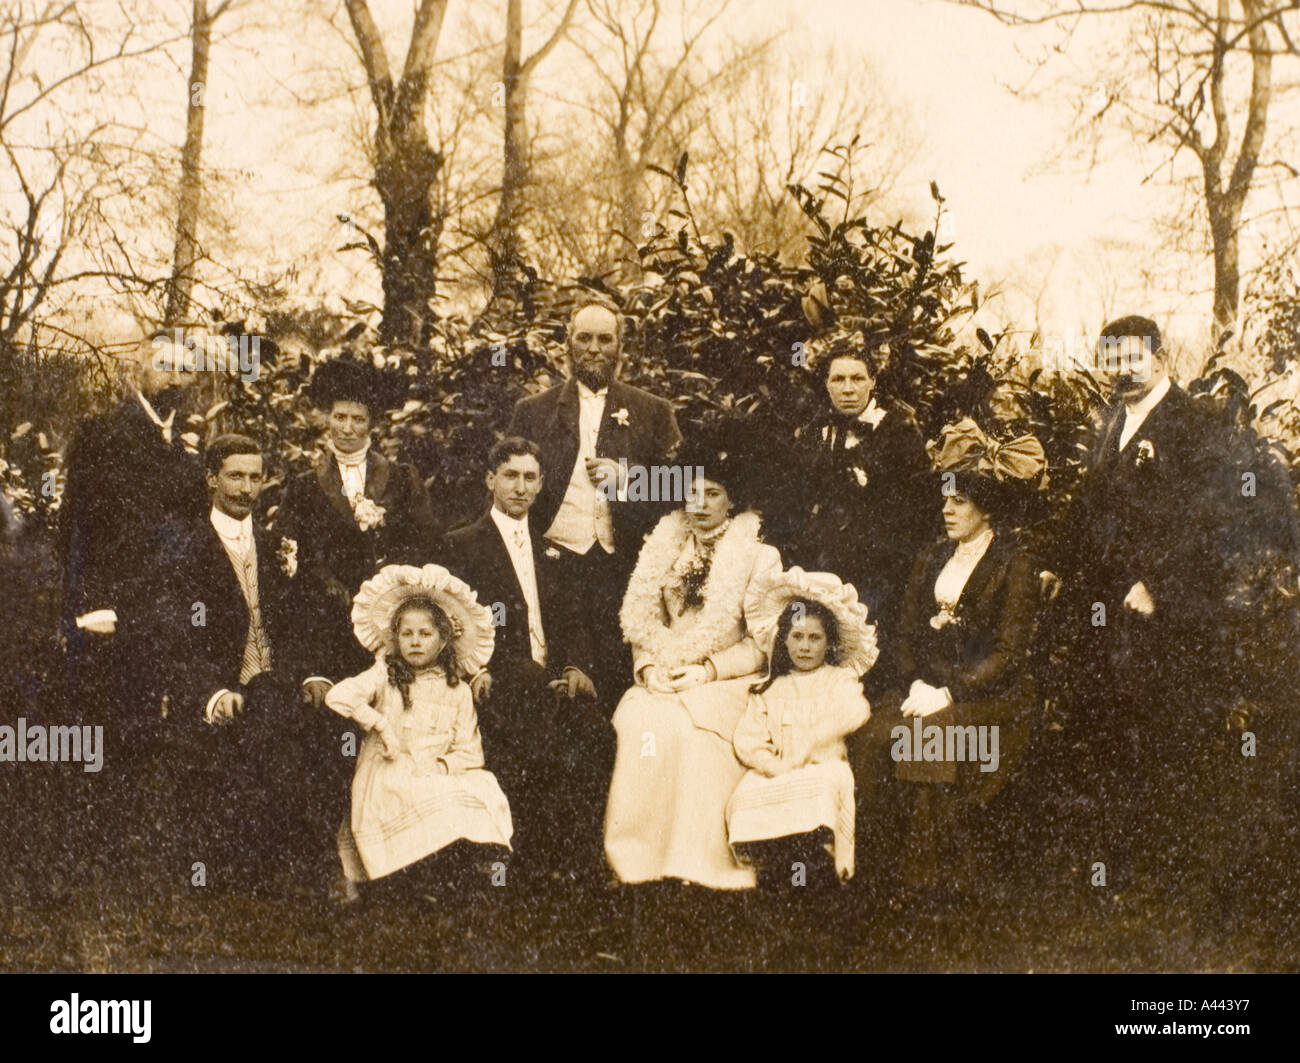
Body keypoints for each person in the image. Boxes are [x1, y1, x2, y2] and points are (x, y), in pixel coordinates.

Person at [1042, 316, 1224, 900]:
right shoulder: (1113, 422)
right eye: (1112, 360)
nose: (1121, 371)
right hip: (1103, 602)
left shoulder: (1192, 425)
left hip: (1156, 609)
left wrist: (1157, 585)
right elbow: (1088, 502)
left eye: (1132, 359)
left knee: (1158, 730)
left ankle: (1166, 868)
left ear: (1160, 356)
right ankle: (1113, 861)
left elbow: (1206, 521)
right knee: (1106, 725)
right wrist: (1056, 564)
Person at [857, 418, 1044, 900]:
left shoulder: (1013, 561)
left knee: (931, 738)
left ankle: (930, 875)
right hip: (929, 688)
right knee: (875, 732)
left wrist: (950, 692)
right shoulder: (933, 554)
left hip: (993, 696)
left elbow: (1009, 652)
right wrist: (919, 682)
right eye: (945, 500)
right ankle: (870, 869)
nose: (947, 509)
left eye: (959, 501)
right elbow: (905, 633)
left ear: (986, 508)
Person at [276, 355, 440, 863]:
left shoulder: (403, 480)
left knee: (399, 738)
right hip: (326, 633)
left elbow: (426, 550)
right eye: (339, 418)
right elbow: (293, 573)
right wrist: (313, 653)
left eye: (359, 420)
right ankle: (337, 857)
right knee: (333, 740)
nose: (348, 430)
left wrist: (389, 596)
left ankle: (400, 852)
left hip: (391, 633)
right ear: (326, 419)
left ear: (374, 424)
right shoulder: (303, 486)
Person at [58, 330, 206, 869]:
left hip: (159, 609)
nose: (172, 375)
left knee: (141, 724)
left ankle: (128, 852)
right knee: (97, 723)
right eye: (162, 363)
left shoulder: (185, 444)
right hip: (110, 606)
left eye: (182, 369)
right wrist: (85, 604)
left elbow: (188, 531)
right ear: (139, 370)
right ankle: (84, 849)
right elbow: (75, 527)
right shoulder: (103, 433)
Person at [603, 445, 781, 890]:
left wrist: (708, 671)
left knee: (688, 736)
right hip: (666, 673)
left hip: (730, 680)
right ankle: (638, 857)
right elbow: (642, 621)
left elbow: (763, 645)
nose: (699, 504)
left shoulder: (760, 556)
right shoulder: (664, 546)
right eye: (692, 492)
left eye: (713, 493)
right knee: (641, 721)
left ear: (733, 500)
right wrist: (647, 669)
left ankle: (695, 859)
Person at [148, 434, 319, 893]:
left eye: (255, 477)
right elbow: (175, 640)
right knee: (264, 730)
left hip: (277, 683)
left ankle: (285, 862)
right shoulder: (184, 550)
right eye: (235, 476)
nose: (246, 488)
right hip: (221, 687)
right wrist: (214, 693)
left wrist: (310, 675)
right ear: (211, 479)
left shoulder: (276, 544)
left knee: (290, 720)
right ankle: (274, 866)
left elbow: (297, 626)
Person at [443, 437, 611, 881]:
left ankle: (580, 857)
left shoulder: (553, 548)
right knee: (536, 722)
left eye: (530, 478)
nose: (520, 487)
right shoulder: (462, 544)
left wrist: (575, 667)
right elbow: (453, 623)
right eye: (511, 476)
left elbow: (573, 620)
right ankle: (535, 859)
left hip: (553, 674)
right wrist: (477, 669)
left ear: (540, 486)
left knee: (597, 732)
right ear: (490, 480)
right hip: (501, 676)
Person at [506, 294, 681, 698]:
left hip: (622, 567)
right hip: (551, 562)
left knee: (619, 680)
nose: (594, 349)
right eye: (584, 338)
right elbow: (507, 486)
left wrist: (629, 479)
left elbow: (684, 492)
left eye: (605, 339)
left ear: (620, 345)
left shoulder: (652, 409)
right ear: (568, 341)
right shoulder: (532, 411)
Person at [325, 564, 512, 901]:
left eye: (425, 634)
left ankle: (459, 876)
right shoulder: (384, 675)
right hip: (389, 769)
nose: (414, 642)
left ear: (443, 641)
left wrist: (441, 766)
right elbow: (338, 696)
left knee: (481, 788)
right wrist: (380, 724)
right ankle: (414, 879)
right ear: (395, 638)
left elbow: (470, 751)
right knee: (414, 792)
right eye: (406, 634)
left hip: (435, 768)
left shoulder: (456, 690)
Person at [781, 336, 937, 693]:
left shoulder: (899, 431)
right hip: (822, 561)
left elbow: (917, 512)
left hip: (879, 567)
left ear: (873, 382)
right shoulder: (815, 432)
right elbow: (799, 501)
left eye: (857, 378)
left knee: (862, 661)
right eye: (838, 379)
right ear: (826, 384)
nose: (848, 388)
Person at [726, 571, 876, 888]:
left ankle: (811, 867)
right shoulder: (771, 688)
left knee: (820, 788)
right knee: (746, 792)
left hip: (823, 765)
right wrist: (773, 764)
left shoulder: (838, 680)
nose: (805, 647)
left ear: (828, 643)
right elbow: (749, 739)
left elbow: (856, 711)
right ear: (784, 640)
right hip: (779, 768)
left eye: (814, 638)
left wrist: (810, 741)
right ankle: (776, 864)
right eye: (797, 637)